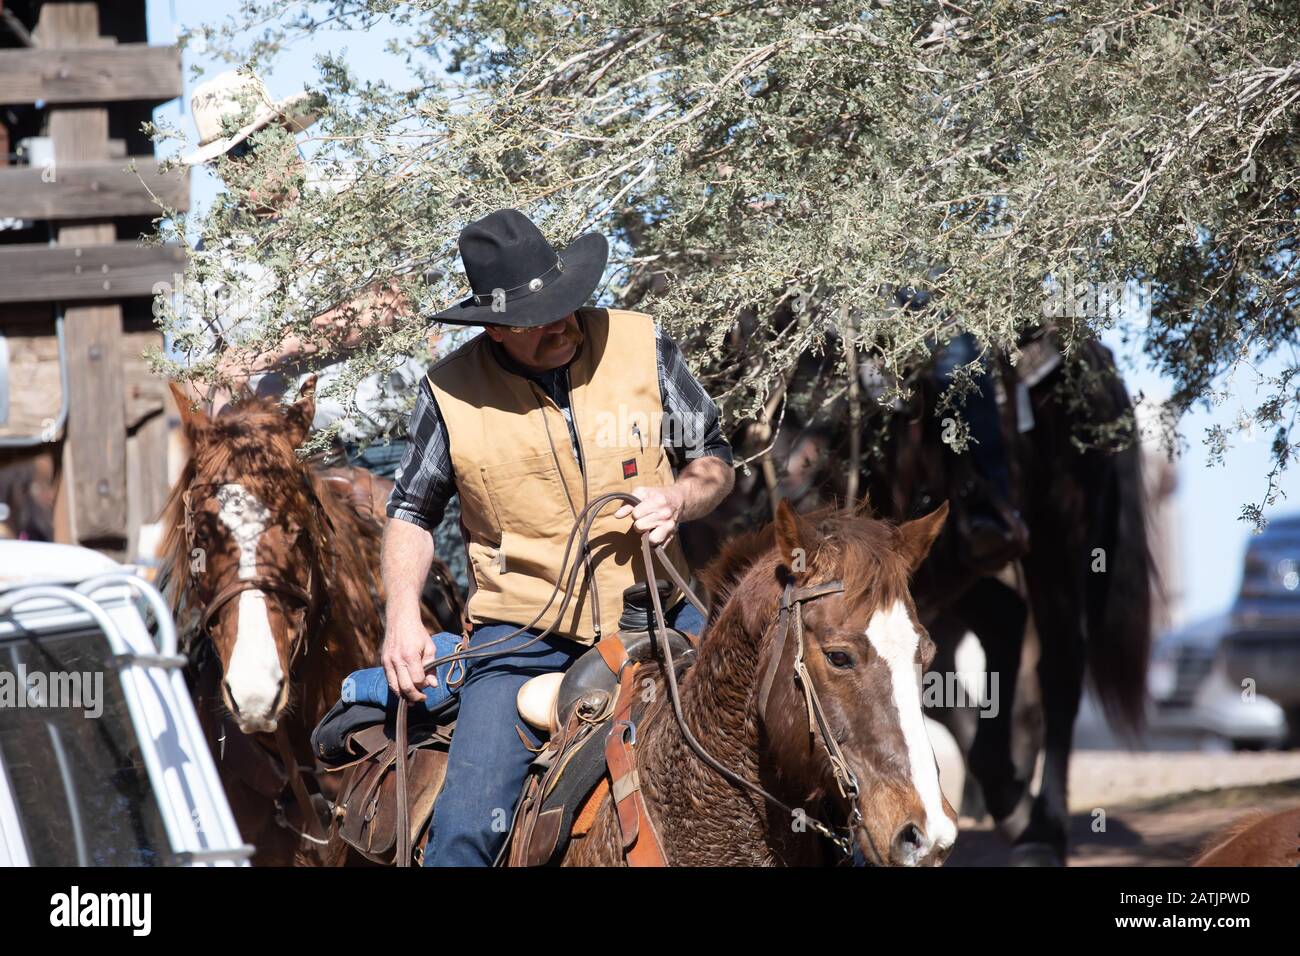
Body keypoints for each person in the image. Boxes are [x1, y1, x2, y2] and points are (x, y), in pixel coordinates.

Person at [383, 208, 735, 866]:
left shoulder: (640, 343)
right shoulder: (449, 393)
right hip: (520, 637)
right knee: (465, 832)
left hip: (662, 609)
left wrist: (682, 497)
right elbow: (409, 510)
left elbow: (713, 456)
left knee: (790, 746)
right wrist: (402, 615)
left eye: (567, 304)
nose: (561, 324)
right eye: (536, 320)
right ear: (494, 329)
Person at [176, 70, 426, 478]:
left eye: (251, 146)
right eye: (228, 157)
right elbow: (200, 376)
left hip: (396, 448)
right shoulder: (210, 256)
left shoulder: (354, 196)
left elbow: (387, 307)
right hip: (290, 466)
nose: (240, 166)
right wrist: (229, 428)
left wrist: (264, 354)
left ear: (284, 135)